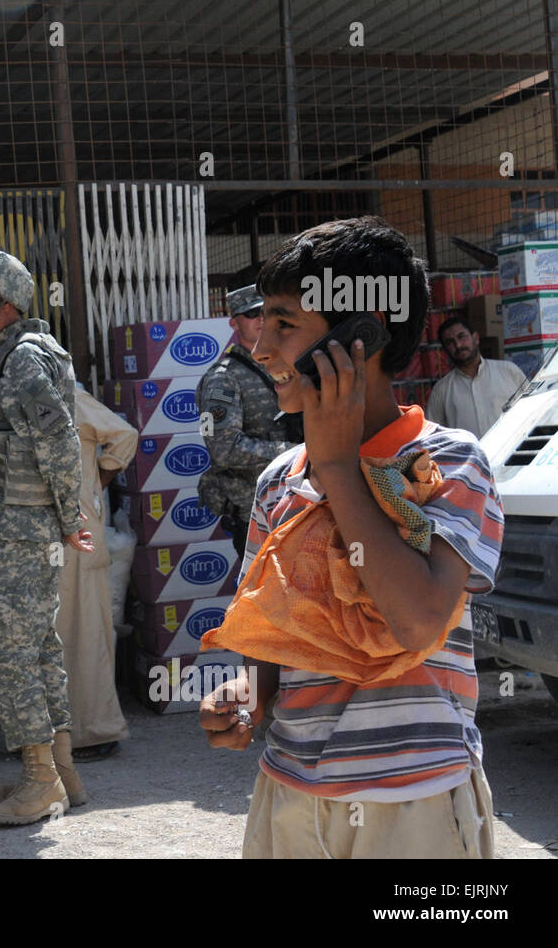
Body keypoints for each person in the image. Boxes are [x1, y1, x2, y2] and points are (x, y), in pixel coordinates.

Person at [199, 216, 503, 858]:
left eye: (285, 324)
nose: (262, 349)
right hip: (291, 797)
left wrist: (338, 467)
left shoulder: (450, 464)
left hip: (417, 800)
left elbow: (419, 620)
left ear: (360, 338)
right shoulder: (279, 482)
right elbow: (272, 637)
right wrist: (247, 697)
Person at [0, 250, 92, 825]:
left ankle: (40, 780)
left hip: (16, 529)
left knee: (8, 653)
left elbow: (59, 440)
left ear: (6, 300)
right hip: (20, 527)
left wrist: (70, 516)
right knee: (38, 648)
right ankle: (62, 771)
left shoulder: (23, 359)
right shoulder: (12, 353)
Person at [56, 387, 137, 762]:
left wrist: (95, 482)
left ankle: (97, 731)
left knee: (87, 633)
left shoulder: (68, 393)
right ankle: (61, 734)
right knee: (60, 635)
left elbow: (124, 436)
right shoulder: (12, 394)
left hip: (80, 533)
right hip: (49, 536)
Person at [196, 284, 304, 559]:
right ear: (234, 323)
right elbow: (223, 449)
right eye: (251, 314)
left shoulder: (287, 366)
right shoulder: (222, 379)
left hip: (297, 500)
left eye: (266, 312)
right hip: (256, 511)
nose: (261, 320)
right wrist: (294, 452)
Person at [426, 315, 527, 439]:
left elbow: (534, 410)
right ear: (445, 350)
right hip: (467, 453)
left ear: (476, 338)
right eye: (450, 342)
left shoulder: (509, 371)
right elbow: (432, 437)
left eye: (461, 337)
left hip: (513, 449)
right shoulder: (441, 390)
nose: (458, 345)